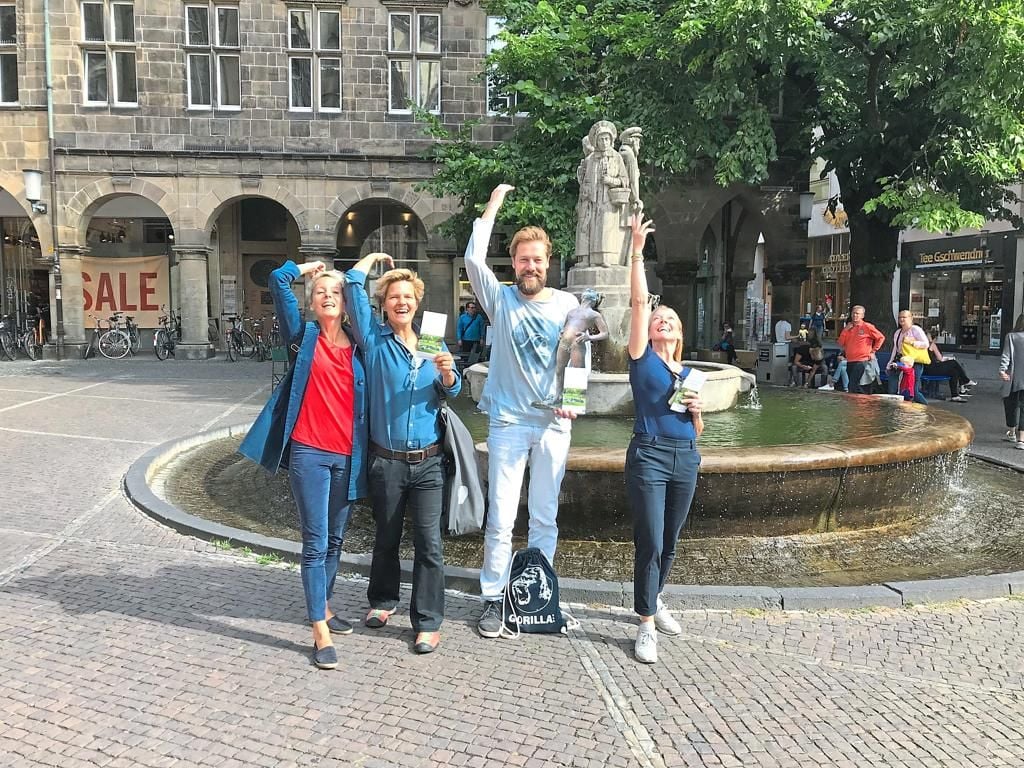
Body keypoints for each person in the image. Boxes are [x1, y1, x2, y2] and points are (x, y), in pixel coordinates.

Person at [238, 260, 367, 671]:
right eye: (320, 292)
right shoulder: (303, 337)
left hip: (348, 454)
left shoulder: (360, 343)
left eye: (335, 292)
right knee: (315, 542)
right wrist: (308, 267)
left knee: (335, 540)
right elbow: (277, 279)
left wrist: (355, 274)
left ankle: (324, 607)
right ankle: (319, 631)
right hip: (309, 452)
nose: (328, 297)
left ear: (346, 302)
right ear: (311, 303)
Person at [465, 184, 580, 638]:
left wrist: (572, 400)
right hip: (509, 421)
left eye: (537, 259)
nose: (529, 266)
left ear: (547, 262)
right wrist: (492, 207)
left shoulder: (568, 304)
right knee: (502, 515)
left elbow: (577, 355)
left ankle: (540, 593)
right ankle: (493, 598)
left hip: (553, 424)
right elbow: (474, 259)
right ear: (512, 263)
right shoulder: (501, 301)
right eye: (522, 259)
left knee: (545, 514)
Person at [343, 253, 461, 655]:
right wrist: (374, 258)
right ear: (384, 303)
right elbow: (350, 286)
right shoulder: (374, 340)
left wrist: (448, 374)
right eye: (394, 296)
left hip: (428, 462)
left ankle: (427, 622)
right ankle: (382, 600)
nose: (401, 302)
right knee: (387, 536)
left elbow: (451, 389)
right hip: (387, 460)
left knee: (429, 542)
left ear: (417, 301)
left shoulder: (432, 341)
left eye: (408, 296)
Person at [625, 214, 703, 664]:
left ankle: (655, 598)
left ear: (679, 332)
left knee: (671, 541)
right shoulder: (642, 360)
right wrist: (638, 250)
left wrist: (698, 412)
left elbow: (697, 429)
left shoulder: (689, 373)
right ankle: (646, 623)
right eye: (658, 318)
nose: (662, 321)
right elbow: (638, 301)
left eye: (669, 319)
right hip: (650, 456)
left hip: (686, 456)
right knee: (651, 539)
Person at [534, 288, 610, 408]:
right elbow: (564, 327)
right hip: (564, 342)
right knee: (559, 370)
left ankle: (574, 402)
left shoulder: (594, 314)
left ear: (592, 300)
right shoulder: (571, 312)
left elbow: (605, 333)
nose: (584, 297)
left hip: (577, 343)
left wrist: (589, 337)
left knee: (576, 372)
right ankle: (557, 397)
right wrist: (561, 332)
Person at [837, 305, 885, 394]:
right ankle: (856, 405)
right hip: (850, 360)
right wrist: (845, 330)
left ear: (862, 315)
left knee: (855, 385)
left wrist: (873, 351)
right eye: (853, 313)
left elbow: (881, 337)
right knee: (854, 385)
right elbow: (840, 343)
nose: (855, 315)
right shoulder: (848, 328)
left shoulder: (867, 326)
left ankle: (860, 404)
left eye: (857, 314)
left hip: (862, 360)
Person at [884, 310, 929, 405]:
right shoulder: (898, 332)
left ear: (911, 318)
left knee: (912, 390)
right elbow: (895, 349)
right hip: (900, 360)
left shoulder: (915, 329)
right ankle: (894, 411)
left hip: (914, 362)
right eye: (900, 317)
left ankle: (927, 409)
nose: (901, 319)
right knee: (892, 388)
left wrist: (912, 342)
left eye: (904, 317)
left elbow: (926, 344)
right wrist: (889, 363)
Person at [924, 331, 977, 402]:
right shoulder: (931, 345)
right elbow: (940, 358)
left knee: (954, 372)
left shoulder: (919, 346)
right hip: (933, 368)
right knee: (953, 362)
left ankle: (955, 395)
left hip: (925, 370)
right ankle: (965, 380)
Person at [1000, 313, 1024, 449]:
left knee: (1011, 405)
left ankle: (1012, 432)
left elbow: (1006, 355)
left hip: (1014, 379)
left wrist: (1002, 370)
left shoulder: (1012, 337)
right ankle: (1021, 440)